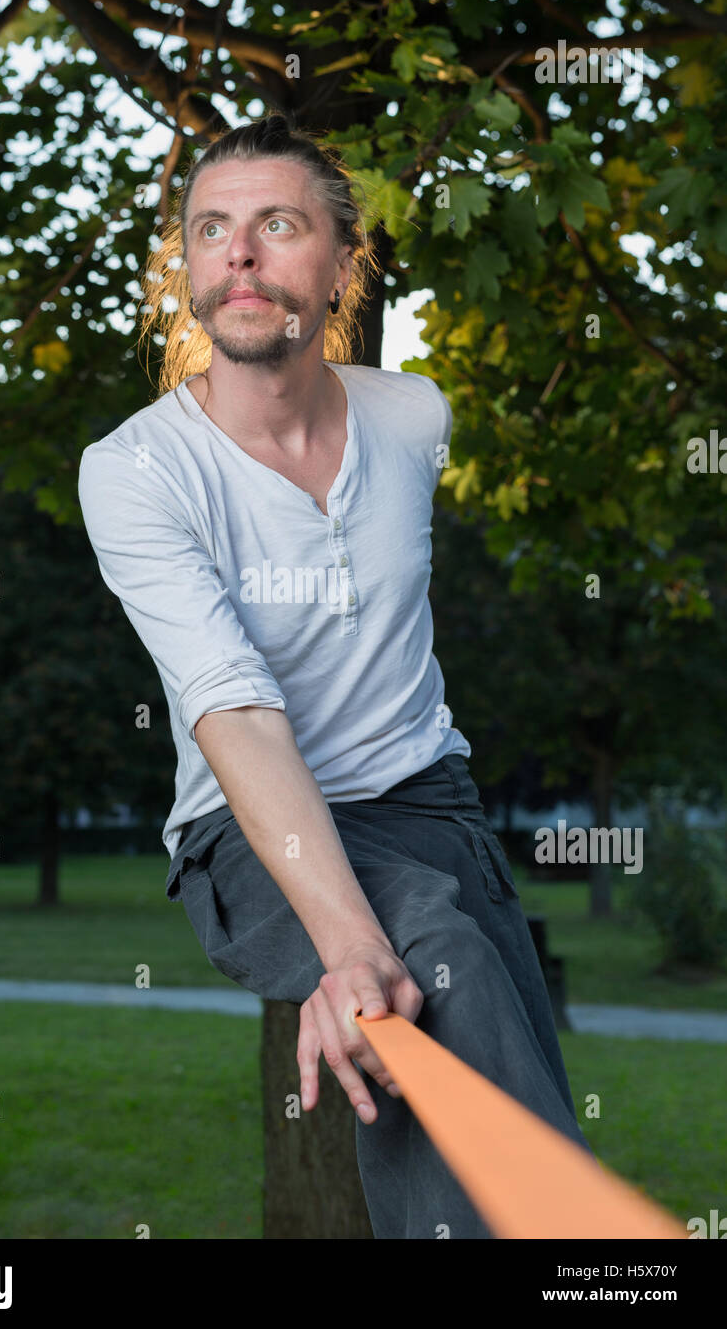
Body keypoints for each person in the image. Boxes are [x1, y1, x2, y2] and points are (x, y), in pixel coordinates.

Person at [78, 112, 596, 1239]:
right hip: (247, 828)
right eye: (211, 229)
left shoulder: (411, 416)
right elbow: (233, 704)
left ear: (343, 264)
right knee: (430, 962)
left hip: (431, 809)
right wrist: (348, 936)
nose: (239, 254)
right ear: (191, 267)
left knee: (520, 1095)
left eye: (275, 223)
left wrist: (366, 944)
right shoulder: (134, 472)